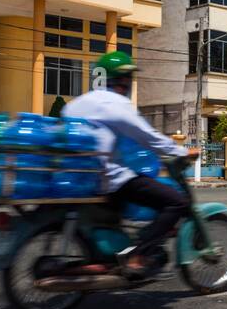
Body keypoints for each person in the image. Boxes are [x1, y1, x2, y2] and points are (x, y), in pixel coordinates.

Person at [62, 51, 195, 279]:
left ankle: (114, 252)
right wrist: (182, 151)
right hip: (108, 178)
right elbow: (147, 135)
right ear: (121, 80)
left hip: (76, 179)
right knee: (177, 203)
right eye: (127, 78)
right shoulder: (117, 104)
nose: (128, 83)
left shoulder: (75, 104)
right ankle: (138, 256)